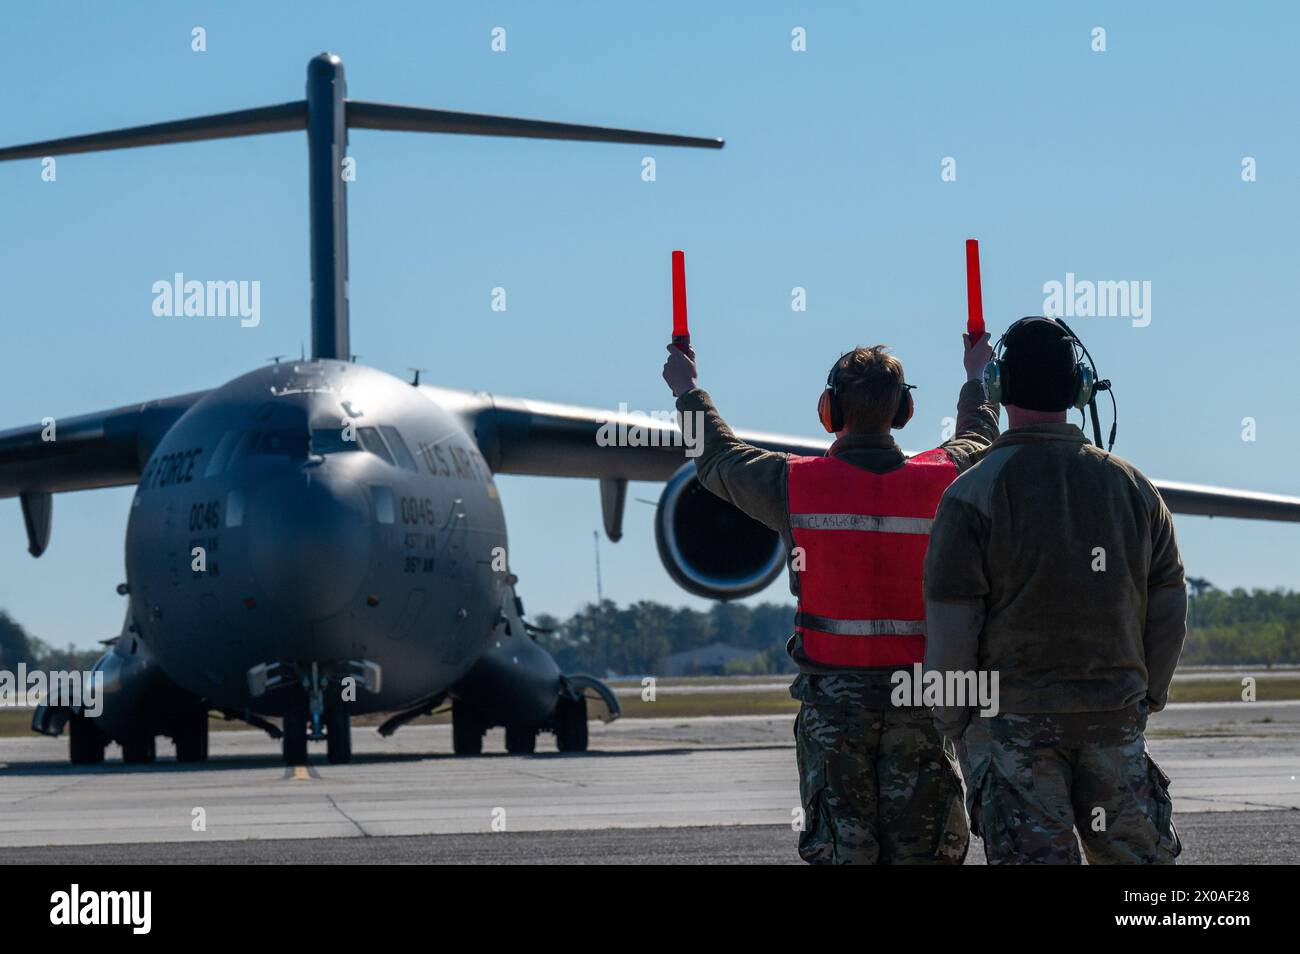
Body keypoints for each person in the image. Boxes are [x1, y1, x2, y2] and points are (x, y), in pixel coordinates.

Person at [661, 332, 998, 864]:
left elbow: (718, 459)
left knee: (846, 851)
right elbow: (980, 439)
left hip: (834, 709)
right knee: (925, 849)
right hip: (921, 700)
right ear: (905, 411)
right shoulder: (943, 479)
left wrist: (688, 390)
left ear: (829, 410)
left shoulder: (795, 484)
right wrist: (977, 379)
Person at [923, 316, 1186, 865]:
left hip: (1014, 732)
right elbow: (1169, 605)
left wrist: (955, 722)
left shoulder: (970, 495)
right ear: (1080, 388)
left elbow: (952, 630)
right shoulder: (1135, 489)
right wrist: (1148, 695)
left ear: (998, 386)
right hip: (1114, 722)